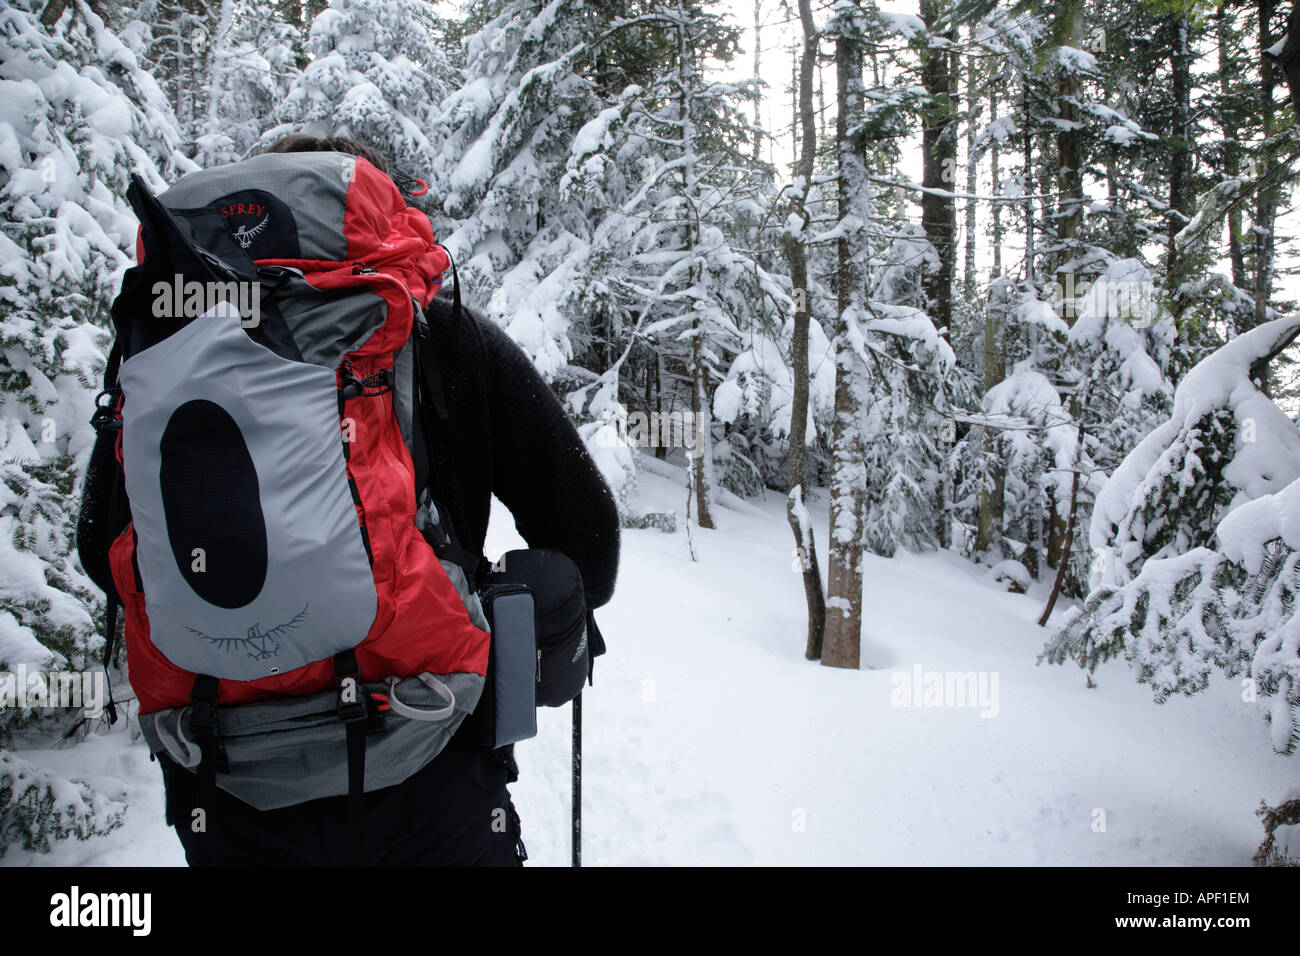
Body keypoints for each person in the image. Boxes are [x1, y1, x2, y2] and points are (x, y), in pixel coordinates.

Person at [75, 133, 621, 866]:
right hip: (432, 765)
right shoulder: (444, 337)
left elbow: (96, 547)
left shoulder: (170, 346)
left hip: (225, 784)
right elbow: (591, 544)